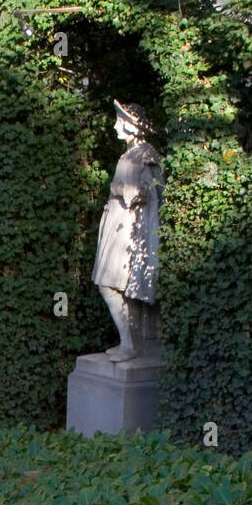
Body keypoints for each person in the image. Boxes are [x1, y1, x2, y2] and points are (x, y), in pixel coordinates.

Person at [92, 101, 165, 361]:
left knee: (111, 285)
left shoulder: (145, 155)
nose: (115, 125)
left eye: (120, 121)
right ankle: (129, 343)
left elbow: (152, 193)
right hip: (118, 227)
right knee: (114, 286)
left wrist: (121, 191)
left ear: (133, 126)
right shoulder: (130, 154)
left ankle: (130, 344)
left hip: (129, 232)